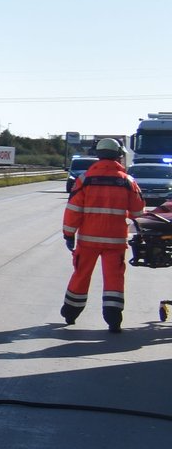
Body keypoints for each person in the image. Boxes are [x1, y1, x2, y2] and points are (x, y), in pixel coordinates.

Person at [60, 137, 146, 330]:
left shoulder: (85, 180)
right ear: (118, 155)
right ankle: (113, 319)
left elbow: (73, 210)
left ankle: (70, 313)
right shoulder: (127, 181)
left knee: (81, 275)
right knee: (114, 278)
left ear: (98, 155)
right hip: (115, 242)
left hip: (87, 241)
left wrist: (69, 234)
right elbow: (138, 212)